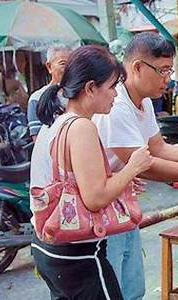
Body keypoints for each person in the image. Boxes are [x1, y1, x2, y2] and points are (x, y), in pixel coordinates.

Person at [92, 32, 178, 300]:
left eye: (170, 70)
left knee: (132, 288)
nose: (168, 78)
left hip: (123, 203)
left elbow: (158, 148)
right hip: (101, 209)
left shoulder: (143, 102)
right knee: (114, 287)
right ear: (138, 68)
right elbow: (146, 165)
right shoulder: (117, 105)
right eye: (163, 70)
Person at [30, 45, 152, 300]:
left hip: (48, 249)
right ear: (90, 88)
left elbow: (75, 181)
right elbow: (95, 197)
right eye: (111, 87)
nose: (115, 95)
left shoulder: (54, 122)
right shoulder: (81, 126)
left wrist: (124, 179)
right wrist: (133, 167)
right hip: (78, 255)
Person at [28, 45, 72, 140]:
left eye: (72, 64)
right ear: (49, 67)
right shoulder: (37, 98)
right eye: (63, 63)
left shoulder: (79, 94)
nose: (68, 68)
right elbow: (38, 138)